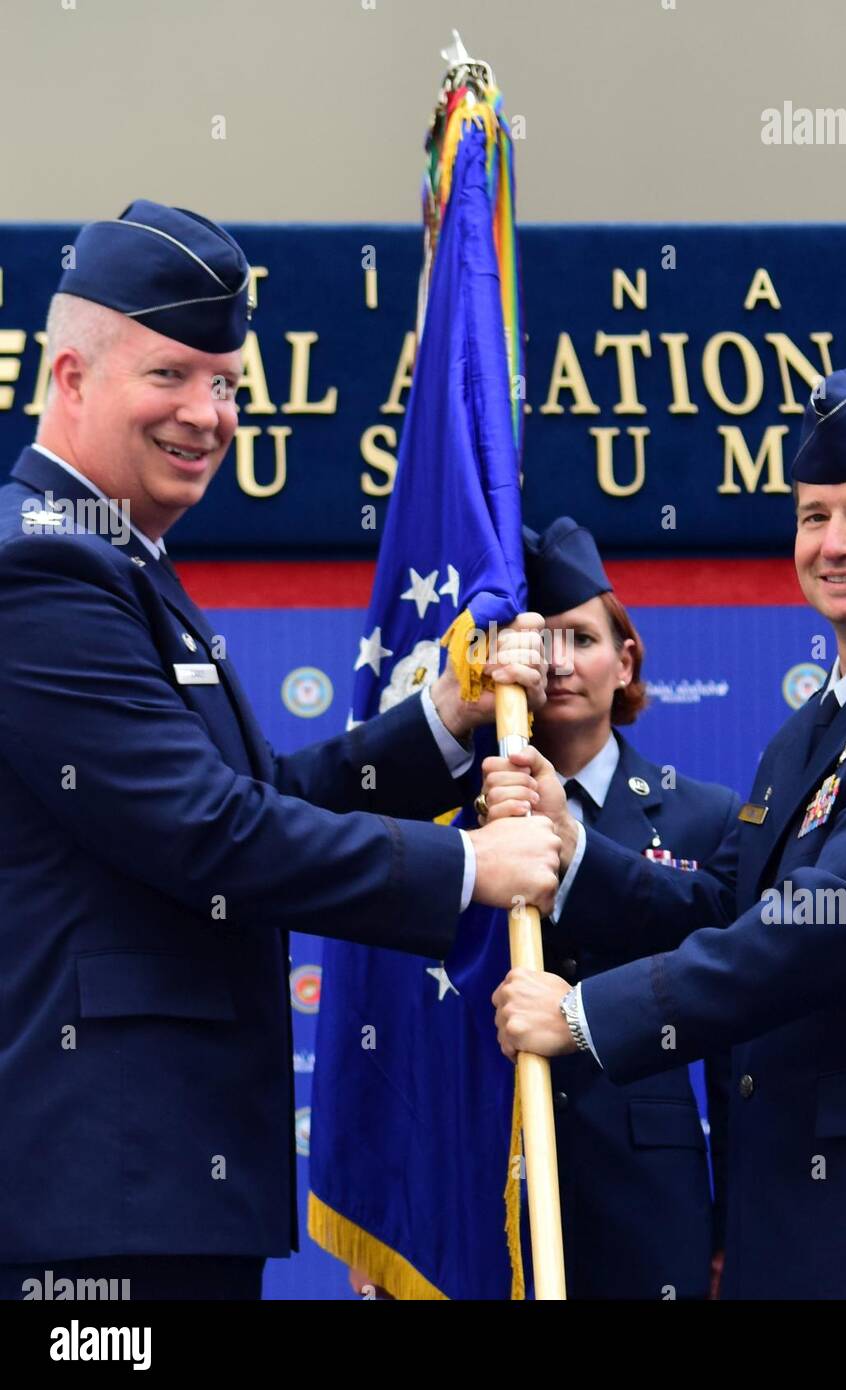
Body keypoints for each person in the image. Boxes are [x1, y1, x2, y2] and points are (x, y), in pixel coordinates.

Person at [0, 200, 558, 1301]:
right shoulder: (43, 573)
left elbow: (251, 796)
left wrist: (441, 721)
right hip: (95, 1210)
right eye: (172, 374)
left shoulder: (120, 562)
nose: (207, 413)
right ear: (69, 377)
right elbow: (207, 833)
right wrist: (466, 868)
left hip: (152, 1193)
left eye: (228, 383)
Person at [489, 367, 846, 1299]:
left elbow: (818, 928)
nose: (834, 544)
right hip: (799, 1227)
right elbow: (719, 903)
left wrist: (586, 1018)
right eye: (814, 515)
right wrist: (571, 851)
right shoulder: (809, 730)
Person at [479, 518, 738, 1299]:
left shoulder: (703, 816)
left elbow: (737, 1025)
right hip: (483, 1174)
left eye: (582, 640)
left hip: (647, 1194)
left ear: (625, 659)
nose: (559, 665)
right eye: (539, 644)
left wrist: (734, 1223)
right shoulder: (453, 817)